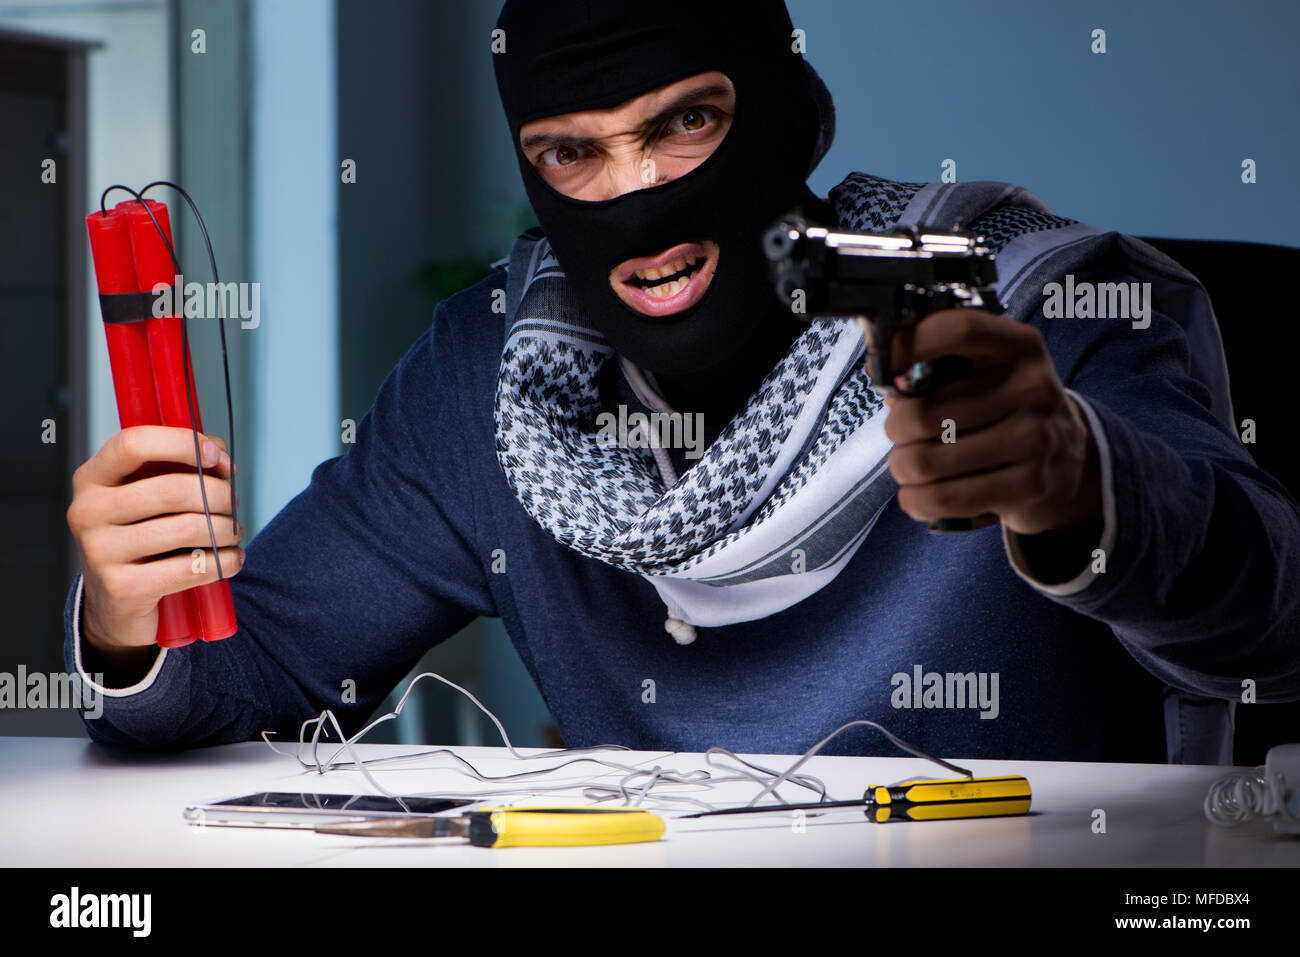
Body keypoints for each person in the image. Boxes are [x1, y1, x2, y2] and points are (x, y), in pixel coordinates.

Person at [63, 0, 1300, 764]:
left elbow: (1278, 635)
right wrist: (132, 615)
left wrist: (1081, 486)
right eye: (572, 154)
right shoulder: (488, 375)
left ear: (788, 118)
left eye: (684, 125)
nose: (638, 197)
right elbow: (247, 685)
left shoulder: (1019, 315)